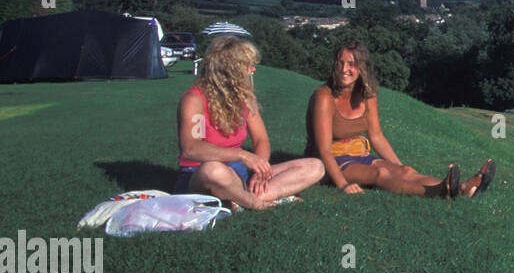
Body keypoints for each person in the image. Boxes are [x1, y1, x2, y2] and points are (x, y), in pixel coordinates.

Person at [306, 41, 494, 199]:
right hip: (328, 161)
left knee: (406, 171)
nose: (344, 69)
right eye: (340, 63)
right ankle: (437, 191)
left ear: (362, 68)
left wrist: (401, 169)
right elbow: (323, 149)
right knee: (380, 174)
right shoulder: (324, 97)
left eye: (351, 64)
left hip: (358, 154)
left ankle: (461, 188)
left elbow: (377, 136)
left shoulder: (368, 95)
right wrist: (342, 185)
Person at [175, 35, 324, 210]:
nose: (252, 70)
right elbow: (191, 148)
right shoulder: (195, 99)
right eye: (248, 65)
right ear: (231, 69)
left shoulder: (244, 98)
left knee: (316, 166)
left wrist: (260, 170)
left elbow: (261, 140)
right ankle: (256, 203)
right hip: (201, 174)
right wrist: (242, 155)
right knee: (214, 170)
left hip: (240, 174)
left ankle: (239, 199)